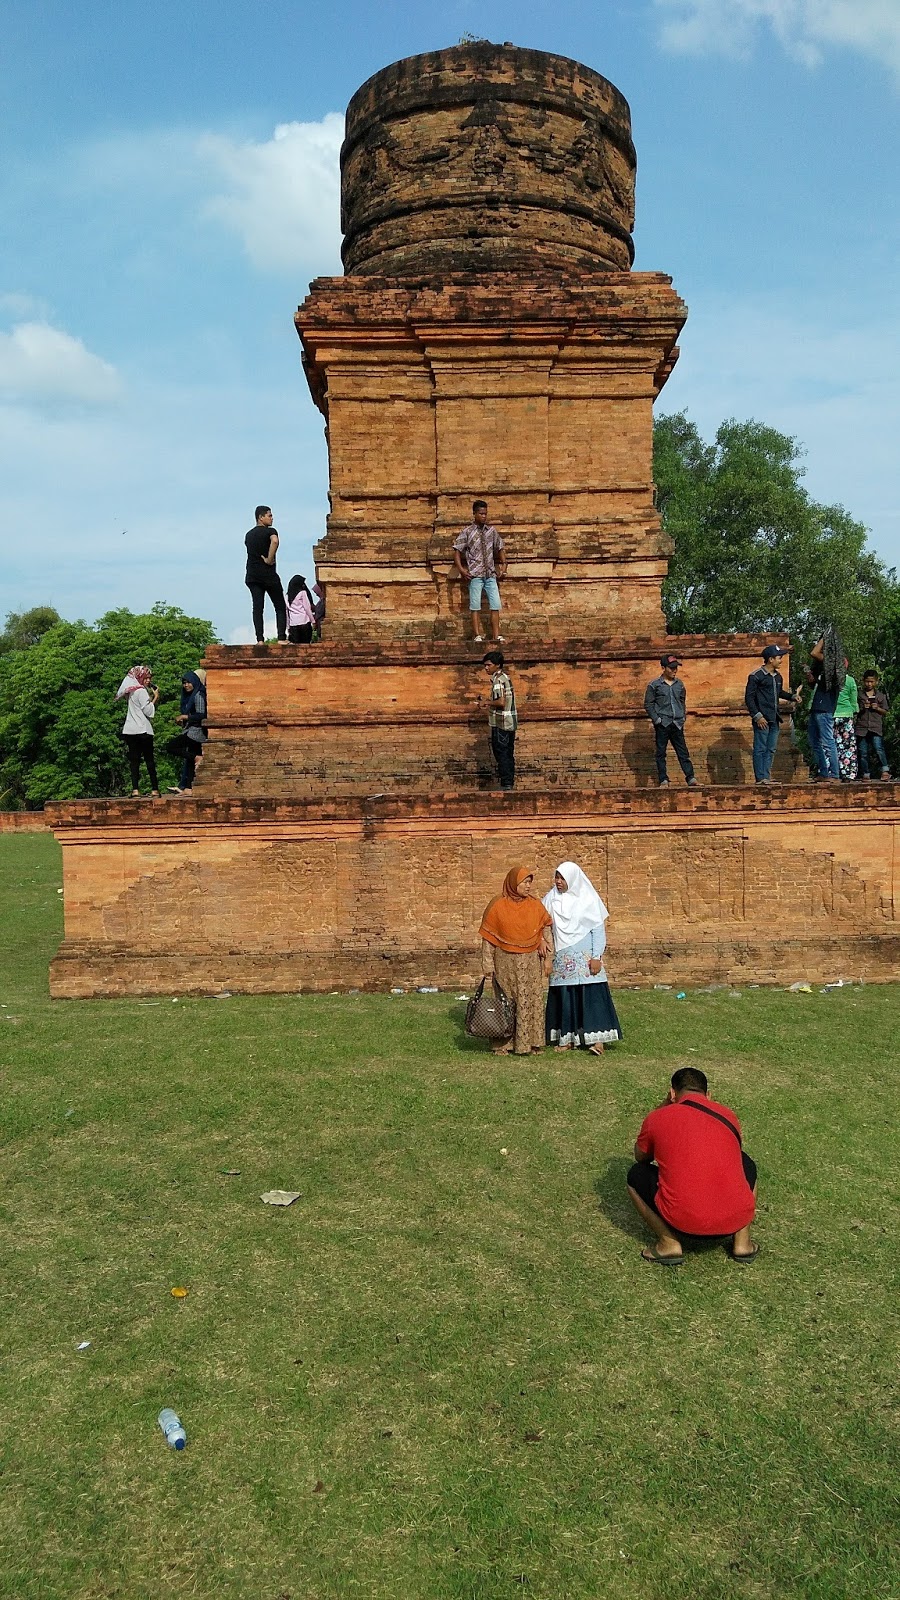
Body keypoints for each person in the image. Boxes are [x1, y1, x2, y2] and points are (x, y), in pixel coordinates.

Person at [626, 1067, 758, 1266]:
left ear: (672, 1093)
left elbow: (640, 1157)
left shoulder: (658, 1117)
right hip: (733, 1220)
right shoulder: (728, 1115)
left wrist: (663, 1106)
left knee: (635, 1176)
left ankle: (668, 1243)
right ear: (708, 1095)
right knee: (745, 1162)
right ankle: (742, 1242)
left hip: (683, 1222)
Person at [543, 861, 623, 1054]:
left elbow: (597, 929)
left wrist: (596, 956)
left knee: (592, 996)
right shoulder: (550, 899)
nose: (559, 881)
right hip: (562, 956)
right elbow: (542, 923)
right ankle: (567, 1038)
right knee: (565, 996)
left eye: (563, 878)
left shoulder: (588, 898)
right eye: (557, 877)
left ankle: (597, 1041)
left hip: (586, 957)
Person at [478, 866, 552, 1056]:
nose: (528, 886)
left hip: (530, 962)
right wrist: (488, 965)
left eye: (530, 882)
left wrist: (547, 957)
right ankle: (503, 1044)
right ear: (513, 883)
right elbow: (489, 938)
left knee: (531, 1000)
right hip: (505, 963)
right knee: (506, 1001)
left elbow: (545, 930)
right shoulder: (497, 905)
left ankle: (532, 1043)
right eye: (524, 882)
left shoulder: (535, 906)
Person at [453, 499, 507, 643]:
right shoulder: (467, 532)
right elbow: (457, 551)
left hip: (490, 574)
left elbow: (500, 547)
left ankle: (496, 635)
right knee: (475, 606)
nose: (484, 516)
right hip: (475, 574)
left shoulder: (491, 531)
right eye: (481, 514)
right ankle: (477, 635)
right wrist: (462, 570)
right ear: (475, 514)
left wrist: (504, 565)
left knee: (495, 604)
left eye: (485, 513)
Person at [744, 644, 798, 783]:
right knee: (760, 749)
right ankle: (760, 778)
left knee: (771, 749)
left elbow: (779, 692)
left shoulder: (777, 677)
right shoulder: (756, 676)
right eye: (779, 658)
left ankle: (766, 776)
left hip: (774, 718)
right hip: (762, 718)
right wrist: (757, 716)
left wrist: (792, 697)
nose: (781, 660)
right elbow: (749, 698)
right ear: (770, 659)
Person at [643, 654, 697, 787]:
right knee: (661, 753)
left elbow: (682, 701)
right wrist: (657, 719)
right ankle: (663, 779)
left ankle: (690, 778)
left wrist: (682, 716)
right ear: (663, 668)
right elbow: (648, 704)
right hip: (663, 723)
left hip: (677, 723)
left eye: (676, 667)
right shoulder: (654, 685)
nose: (674, 670)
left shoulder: (680, 685)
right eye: (671, 667)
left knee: (683, 752)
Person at [116, 665, 160, 798]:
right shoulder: (141, 691)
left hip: (130, 730)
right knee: (149, 760)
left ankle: (135, 789)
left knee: (134, 761)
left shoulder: (130, 691)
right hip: (143, 730)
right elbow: (148, 711)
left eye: (149, 678)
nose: (148, 681)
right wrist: (155, 697)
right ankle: (154, 789)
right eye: (146, 678)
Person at [244, 505, 286, 644]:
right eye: (269, 515)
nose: (272, 518)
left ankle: (260, 640)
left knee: (257, 607)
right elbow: (275, 540)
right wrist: (269, 558)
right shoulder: (270, 531)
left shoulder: (248, 535)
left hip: (252, 575)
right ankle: (281, 638)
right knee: (279, 606)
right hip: (268, 574)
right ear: (260, 517)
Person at [804, 632, 843, 781]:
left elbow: (814, 652)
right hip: (816, 705)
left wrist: (825, 637)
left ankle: (834, 774)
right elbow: (813, 684)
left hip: (825, 707)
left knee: (827, 741)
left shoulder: (833, 661)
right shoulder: (823, 666)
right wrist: (810, 677)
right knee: (814, 741)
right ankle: (824, 772)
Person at [482, 649, 517, 790]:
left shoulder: (497, 680)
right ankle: (509, 782)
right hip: (510, 722)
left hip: (501, 722)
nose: (486, 668)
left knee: (501, 753)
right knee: (508, 753)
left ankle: (506, 783)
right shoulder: (505, 678)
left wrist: (486, 703)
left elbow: (501, 702)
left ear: (497, 665)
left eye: (489, 665)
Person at [169, 669, 207, 795]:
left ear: (195, 682)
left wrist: (186, 717)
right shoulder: (191, 696)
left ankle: (198, 758)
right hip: (191, 730)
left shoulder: (198, 695)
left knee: (171, 746)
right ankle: (189, 788)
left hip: (197, 733)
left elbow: (202, 715)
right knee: (189, 761)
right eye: (184, 683)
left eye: (189, 682)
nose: (186, 685)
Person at [855, 670, 891, 780]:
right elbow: (854, 710)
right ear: (863, 681)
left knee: (879, 748)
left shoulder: (881, 696)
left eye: (871, 682)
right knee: (863, 752)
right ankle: (865, 774)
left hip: (875, 727)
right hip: (862, 727)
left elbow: (886, 711)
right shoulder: (859, 695)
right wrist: (862, 708)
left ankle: (885, 771)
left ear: (876, 682)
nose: (869, 684)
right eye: (867, 681)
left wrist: (877, 708)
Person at [833, 659, 859, 781]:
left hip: (832, 714)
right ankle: (849, 773)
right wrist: (854, 712)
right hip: (847, 714)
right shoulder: (850, 680)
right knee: (848, 746)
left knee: (832, 744)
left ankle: (833, 772)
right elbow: (854, 700)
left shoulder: (830, 680)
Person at [285, 574, 316, 644]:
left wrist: (288, 626)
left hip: (293, 624)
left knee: (295, 647)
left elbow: (287, 613)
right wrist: (313, 621)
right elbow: (307, 608)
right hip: (304, 622)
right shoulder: (302, 593)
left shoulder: (286, 596)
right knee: (306, 645)